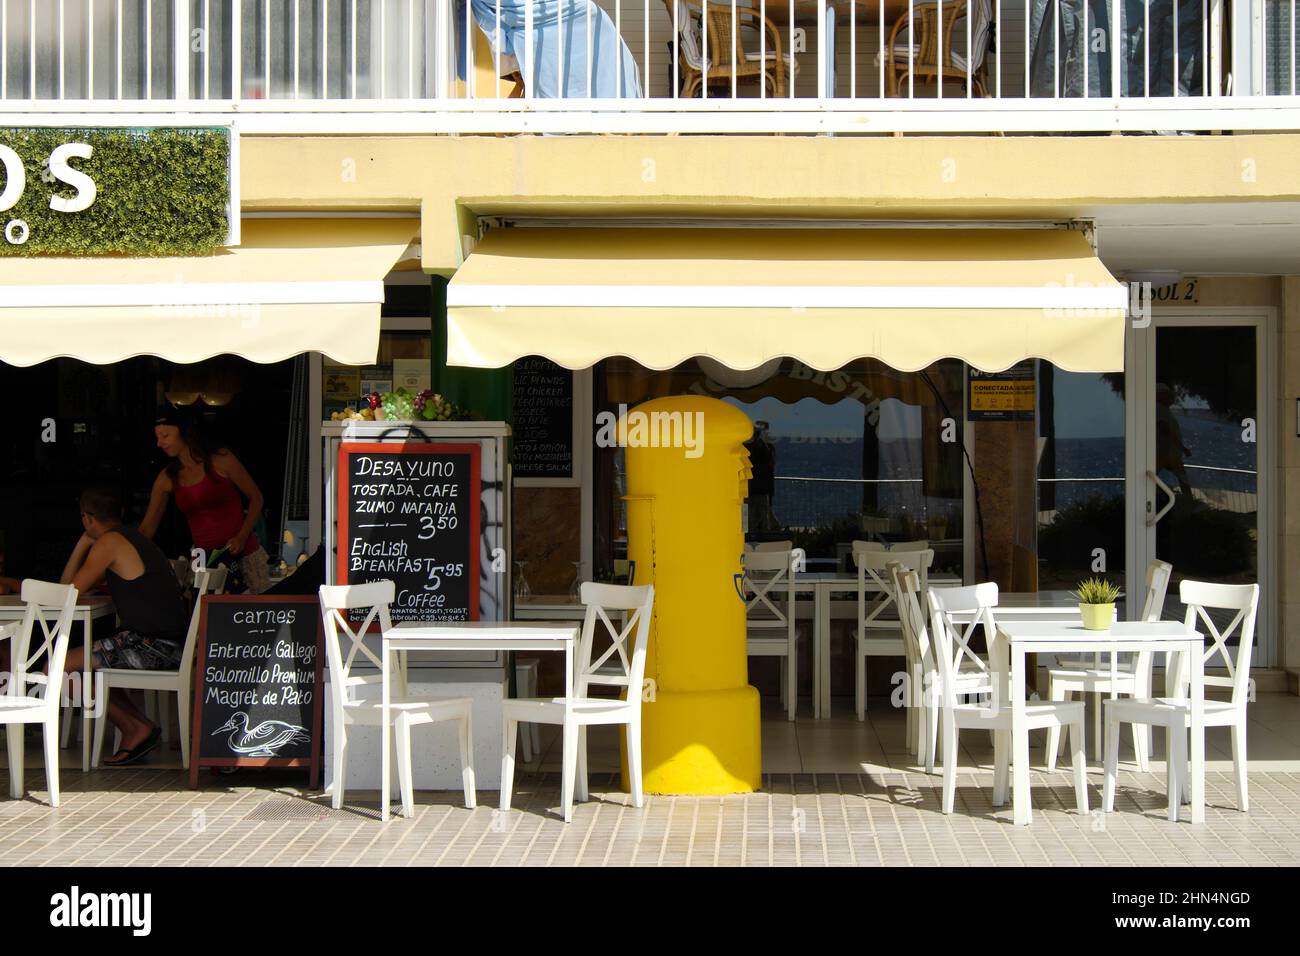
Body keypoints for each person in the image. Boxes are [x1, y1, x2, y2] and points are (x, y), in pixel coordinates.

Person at [60, 488, 190, 766]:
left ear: (87, 518)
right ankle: (140, 726)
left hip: (153, 645)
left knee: (58, 669)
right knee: (88, 665)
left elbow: (65, 593)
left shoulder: (109, 543)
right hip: (171, 643)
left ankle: (134, 728)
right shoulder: (134, 538)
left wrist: (82, 545)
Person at [140, 407, 270, 594]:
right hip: (204, 559)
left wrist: (242, 536)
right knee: (207, 615)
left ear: (184, 433)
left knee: (251, 616)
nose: (160, 443)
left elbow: (256, 498)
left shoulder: (221, 459)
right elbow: (147, 529)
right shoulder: (168, 477)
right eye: (157, 437)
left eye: (165, 435)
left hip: (241, 554)